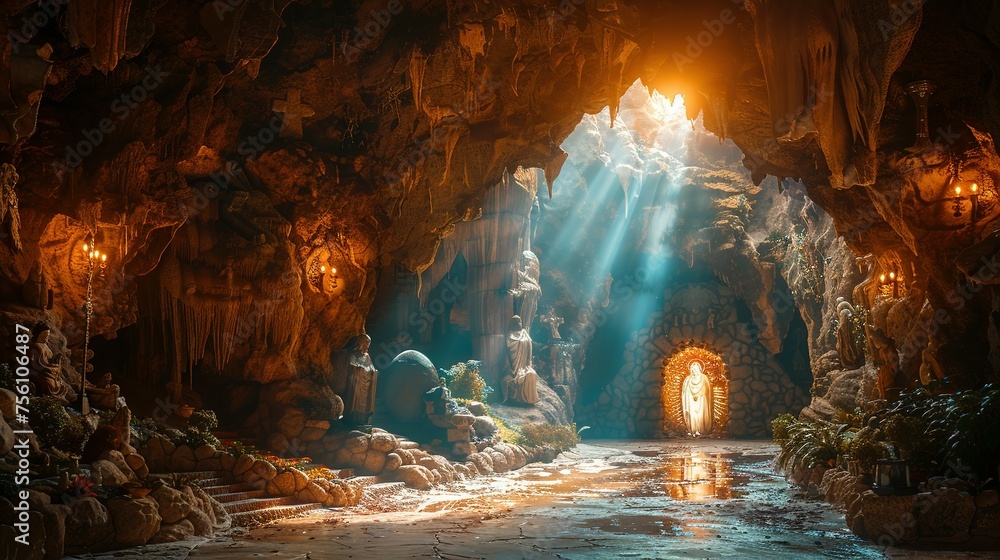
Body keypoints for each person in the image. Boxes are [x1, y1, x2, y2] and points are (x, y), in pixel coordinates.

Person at [28, 323, 76, 404]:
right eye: (44, 335)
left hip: (47, 371)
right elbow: (34, 364)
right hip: (38, 372)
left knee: (60, 384)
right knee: (48, 383)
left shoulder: (45, 347)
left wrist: (56, 364)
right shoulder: (34, 347)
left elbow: (48, 361)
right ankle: (49, 399)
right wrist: (50, 368)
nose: (46, 337)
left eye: (47, 335)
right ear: (39, 334)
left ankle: (59, 399)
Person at [502, 315, 539, 405]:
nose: (519, 323)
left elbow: (529, 345)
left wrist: (528, 364)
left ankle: (528, 400)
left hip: (524, 364)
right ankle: (518, 399)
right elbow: (509, 347)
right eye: (516, 321)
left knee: (531, 374)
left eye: (520, 321)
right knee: (518, 377)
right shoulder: (509, 335)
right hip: (514, 365)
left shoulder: (524, 333)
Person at [343, 334, 378, 426]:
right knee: (354, 402)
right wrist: (360, 369)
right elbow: (352, 367)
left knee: (364, 406)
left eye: (368, 345)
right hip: (356, 385)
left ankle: (362, 420)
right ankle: (351, 419)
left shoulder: (367, 357)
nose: (367, 347)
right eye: (365, 344)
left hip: (365, 387)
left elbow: (371, 368)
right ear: (360, 343)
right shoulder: (353, 354)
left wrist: (373, 372)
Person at [682, 360, 713, 436]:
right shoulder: (688, 379)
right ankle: (693, 430)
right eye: (692, 369)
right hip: (690, 400)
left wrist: (699, 394)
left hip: (701, 399)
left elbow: (708, 390)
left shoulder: (704, 378)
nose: (694, 370)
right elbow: (684, 391)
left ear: (699, 369)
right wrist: (690, 396)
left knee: (700, 414)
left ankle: (700, 430)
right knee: (692, 415)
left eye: (696, 369)